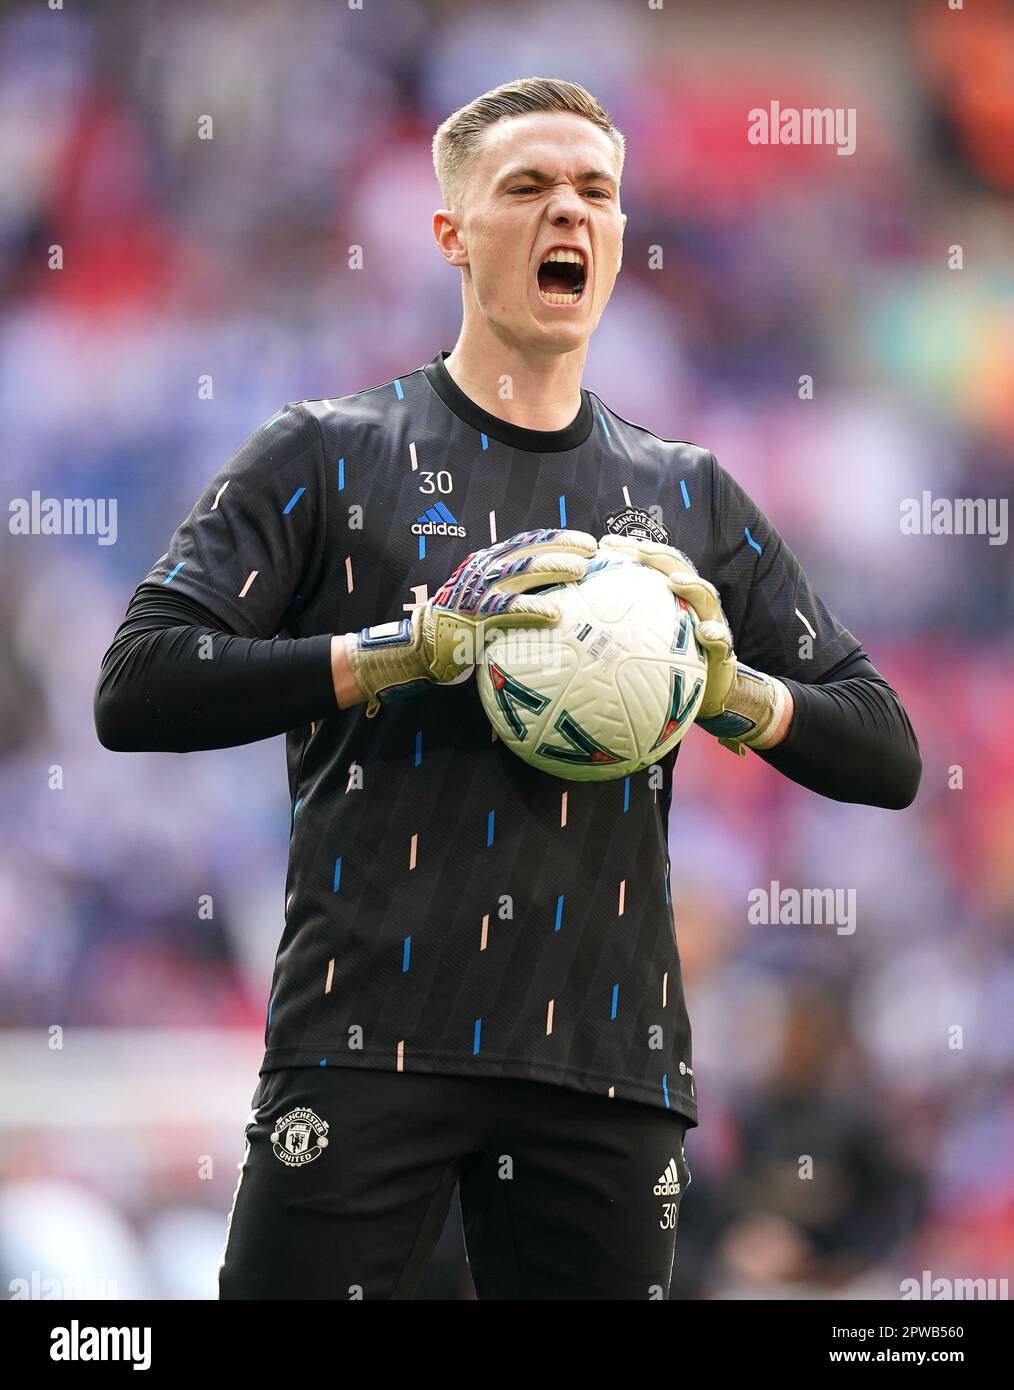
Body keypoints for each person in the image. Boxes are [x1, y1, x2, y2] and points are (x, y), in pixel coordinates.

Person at [93, 77, 921, 1300]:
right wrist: (391, 657)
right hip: (368, 1036)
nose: (567, 215)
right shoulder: (331, 451)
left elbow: (888, 749)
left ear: (623, 236)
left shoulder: (688, 494)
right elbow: (139, 680)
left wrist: (732, 692)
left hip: (606, 1059)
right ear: (450, 233)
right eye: (527, 188)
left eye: (595, 192)